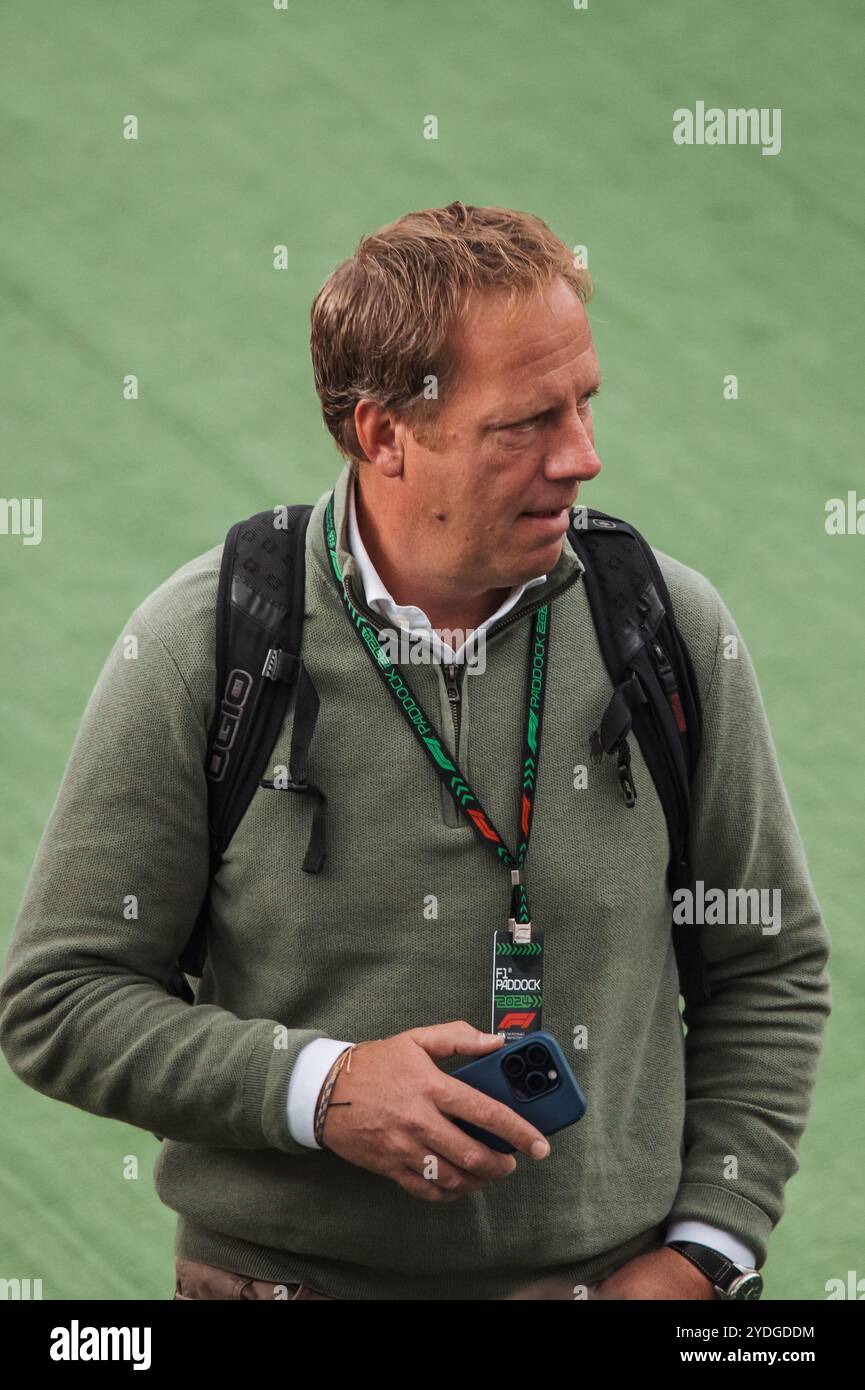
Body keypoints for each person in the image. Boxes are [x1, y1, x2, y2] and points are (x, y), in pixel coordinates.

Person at [0, 202, 831, 1301]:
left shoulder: (667, 627)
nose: (583, 457)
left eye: (584, 404)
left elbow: (764, 964)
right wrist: (320, 1086)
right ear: (383, 432)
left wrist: (706, 1253)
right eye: (526, 422)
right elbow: (60, 998)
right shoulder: (208, 642)